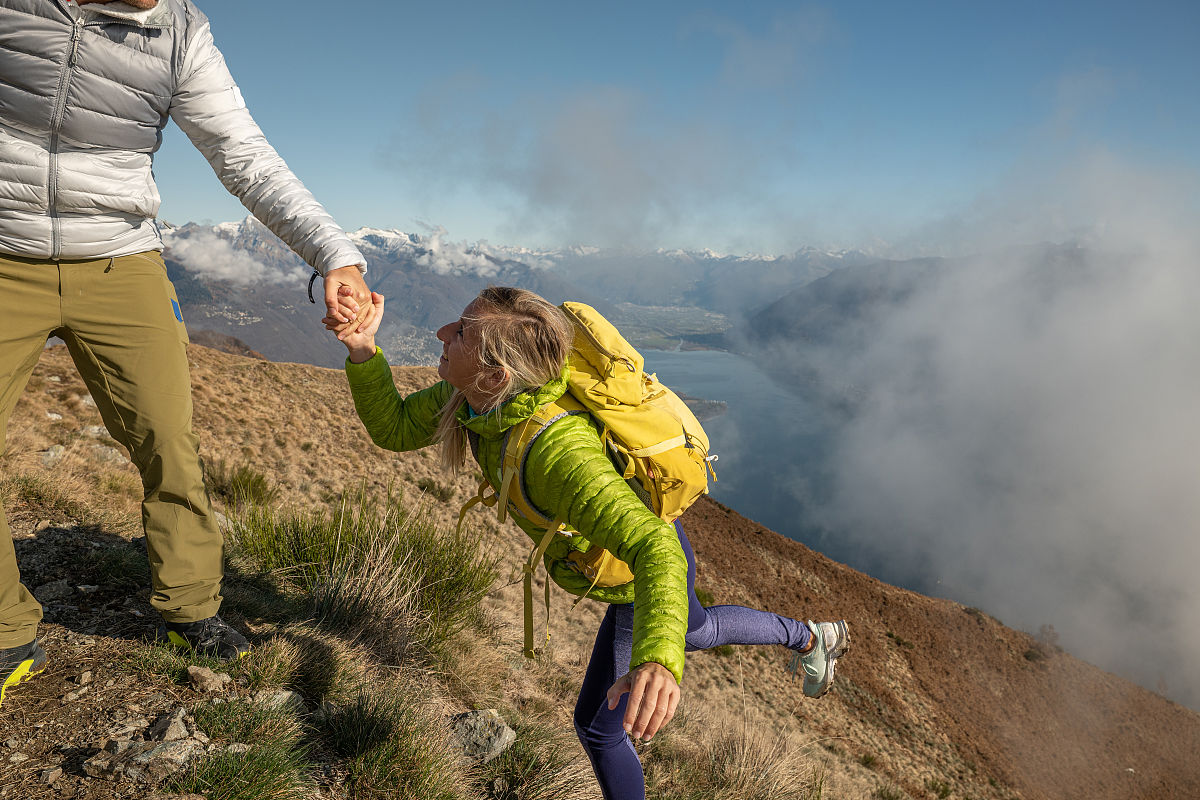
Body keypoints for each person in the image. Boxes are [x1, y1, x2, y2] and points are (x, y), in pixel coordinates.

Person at [333, 286, 850, 800]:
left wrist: (657, 664)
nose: (443, 333)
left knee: (599, 729)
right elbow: (395, 427)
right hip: (652, 553)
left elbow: (654, 549)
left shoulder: (558, 452)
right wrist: (362, 349)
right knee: (698, 630)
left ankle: (806, 639)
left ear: (498, 374)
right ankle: (811, 638)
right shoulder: (474, 396)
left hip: (638, 575)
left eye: (462, 332)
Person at [0, 0, 375, 706]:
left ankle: (193, 610)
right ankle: (5, 633)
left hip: (119, 259)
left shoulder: (179, 34)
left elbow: (244, 155)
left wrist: (334, 255)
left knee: (169, 440)